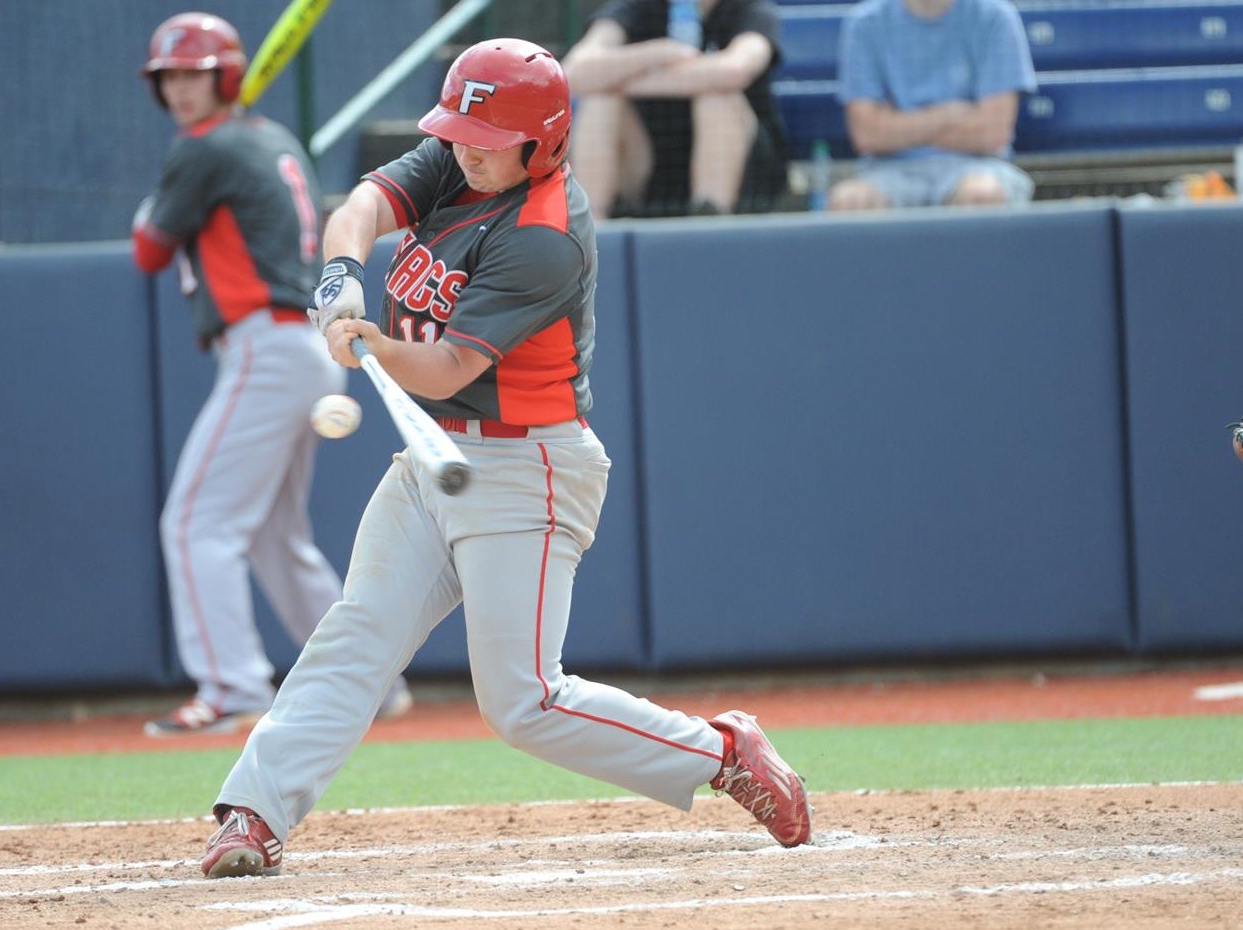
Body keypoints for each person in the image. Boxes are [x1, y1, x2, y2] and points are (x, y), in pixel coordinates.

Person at [196, 38, 812, 879]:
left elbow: (452, 366)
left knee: (522, 702)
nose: (467, 150)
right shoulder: (462, 157)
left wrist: (366, 343)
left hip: (529, 470)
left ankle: (724, 751)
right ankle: (255, 815)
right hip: (433, 456)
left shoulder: (545, 234)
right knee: (357, 633)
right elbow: (360, 211)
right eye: (459, 133)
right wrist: (342, 272)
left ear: (544, 141)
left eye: (488, 140)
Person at [130, 12, 411, 736]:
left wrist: (148, 211)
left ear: (224, 75)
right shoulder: (265, 138)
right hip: (308, 350)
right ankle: (370, 679)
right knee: (272, 535)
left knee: (197, 522)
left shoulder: (206, 147)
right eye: (171, 77)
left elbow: (150, 252)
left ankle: (230, 687)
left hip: (267, 347)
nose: (182, 89)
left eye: (195, 74)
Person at [562, 0, 789, 218]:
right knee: (601, 100)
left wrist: (622, 81)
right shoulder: (634, 8)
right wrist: (659, 52)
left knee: (716, 97)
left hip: (747, 173)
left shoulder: (751, 9)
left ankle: (711, 222)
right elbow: (573, 72)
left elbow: (734, 70)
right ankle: (592, 231)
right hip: (646, 169)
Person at [827, 0, 1037, 211]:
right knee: (850, 202)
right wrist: (951, 114)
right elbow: (868, 135)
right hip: (887, 170)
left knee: (981, 195)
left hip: (979, 166)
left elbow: (992, 133)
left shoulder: (996, 16)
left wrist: (897, 126)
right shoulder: (865, 23)